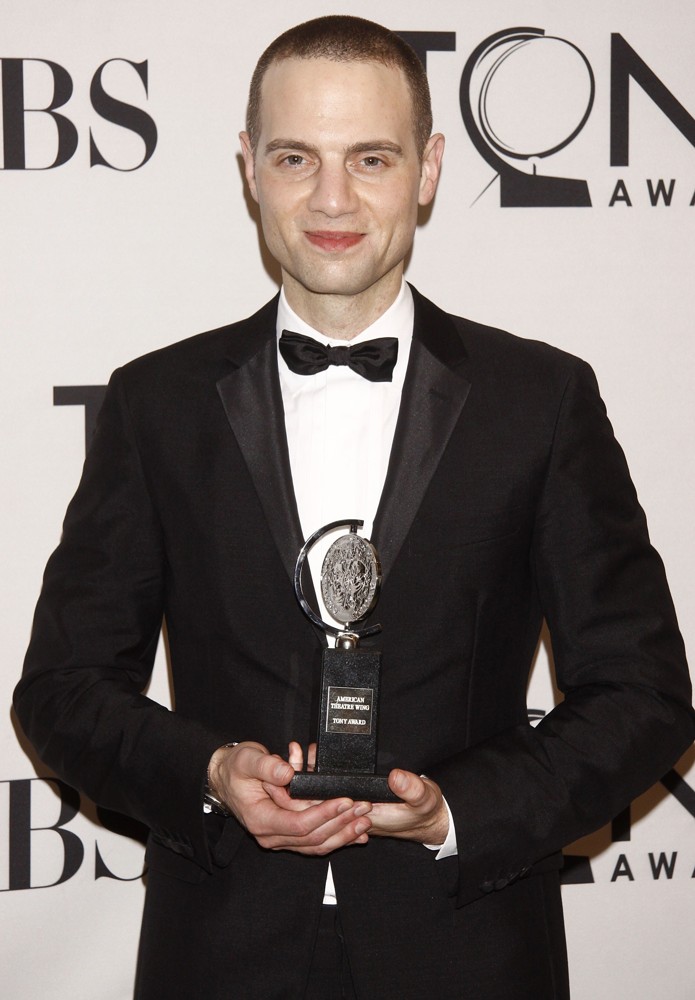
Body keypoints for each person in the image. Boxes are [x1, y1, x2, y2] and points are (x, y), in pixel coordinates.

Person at [14, 15, 693, 1000]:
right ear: (249, 168)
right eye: (296, 157)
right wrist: (211, 773)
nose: (331, 199)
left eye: (370, 158)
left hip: (468, 951)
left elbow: (642, 690)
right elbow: (62, 689)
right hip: (219, 957)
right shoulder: (156, 403)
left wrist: (456, 808)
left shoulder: (537, 401)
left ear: (426, 169)